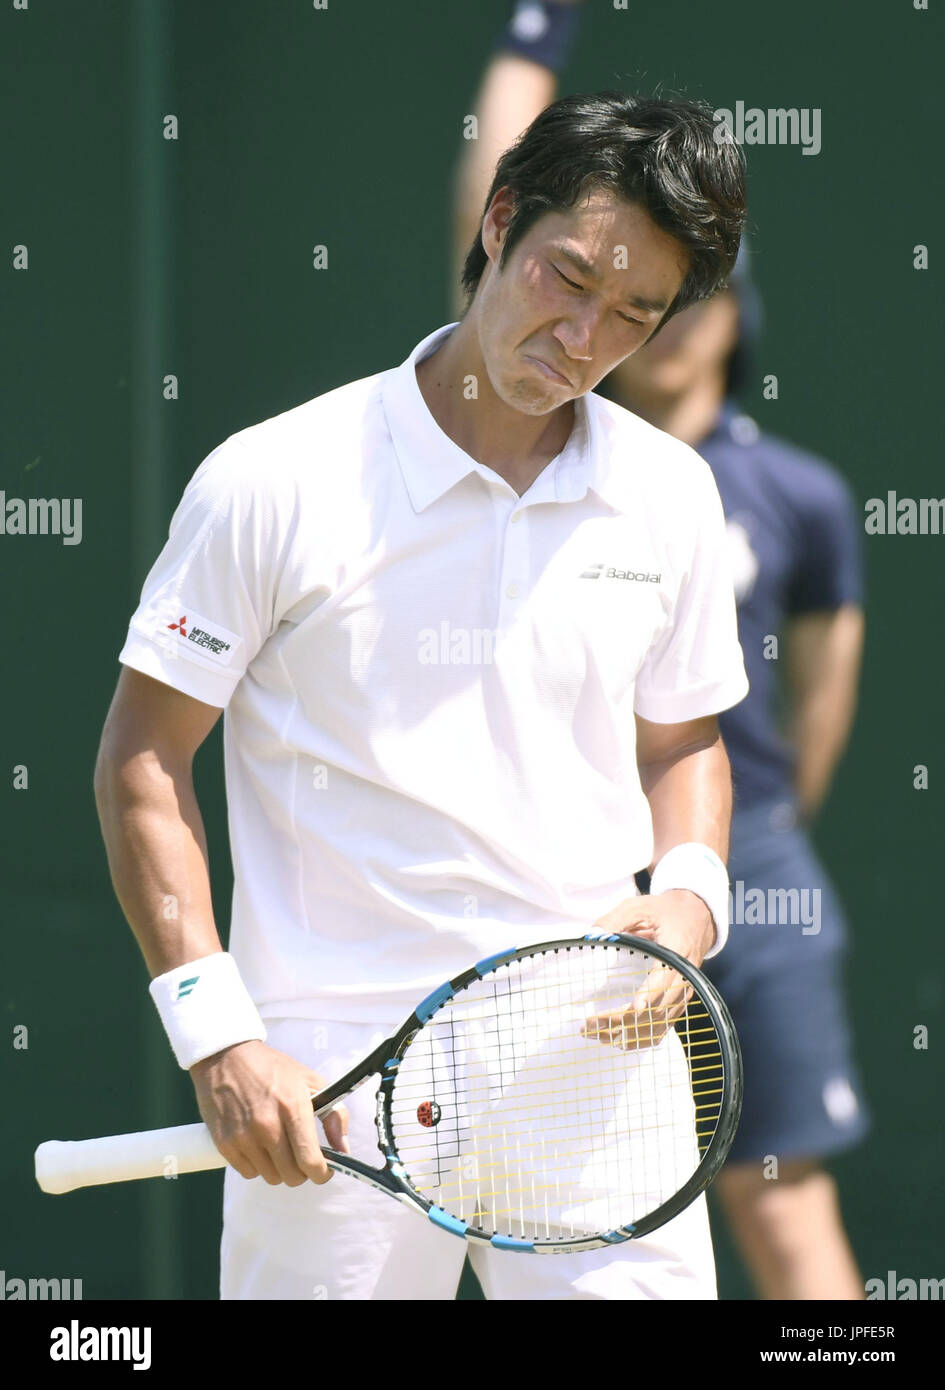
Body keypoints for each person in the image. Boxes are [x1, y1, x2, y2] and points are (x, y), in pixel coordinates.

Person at [94, 89, 749, 1300]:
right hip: (329, 1078)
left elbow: (685, 738)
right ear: (500, 220)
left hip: (604, 1072)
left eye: (634, 313)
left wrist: (693, 901)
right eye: (569, 277)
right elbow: (141, 758)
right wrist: (220, 1033)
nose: (586, 334)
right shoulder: (272, 478)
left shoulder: (673, 494)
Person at [453, 0, 869, 1300]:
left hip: (736, 878)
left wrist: (724, 863)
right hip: (566, 902)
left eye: (671, 300)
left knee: (779, 1205)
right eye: (593, 284)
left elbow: (809, 713)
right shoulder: (542, 412)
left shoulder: (791, 491)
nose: (641, 320)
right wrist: (533, 38)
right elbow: (503, 210)